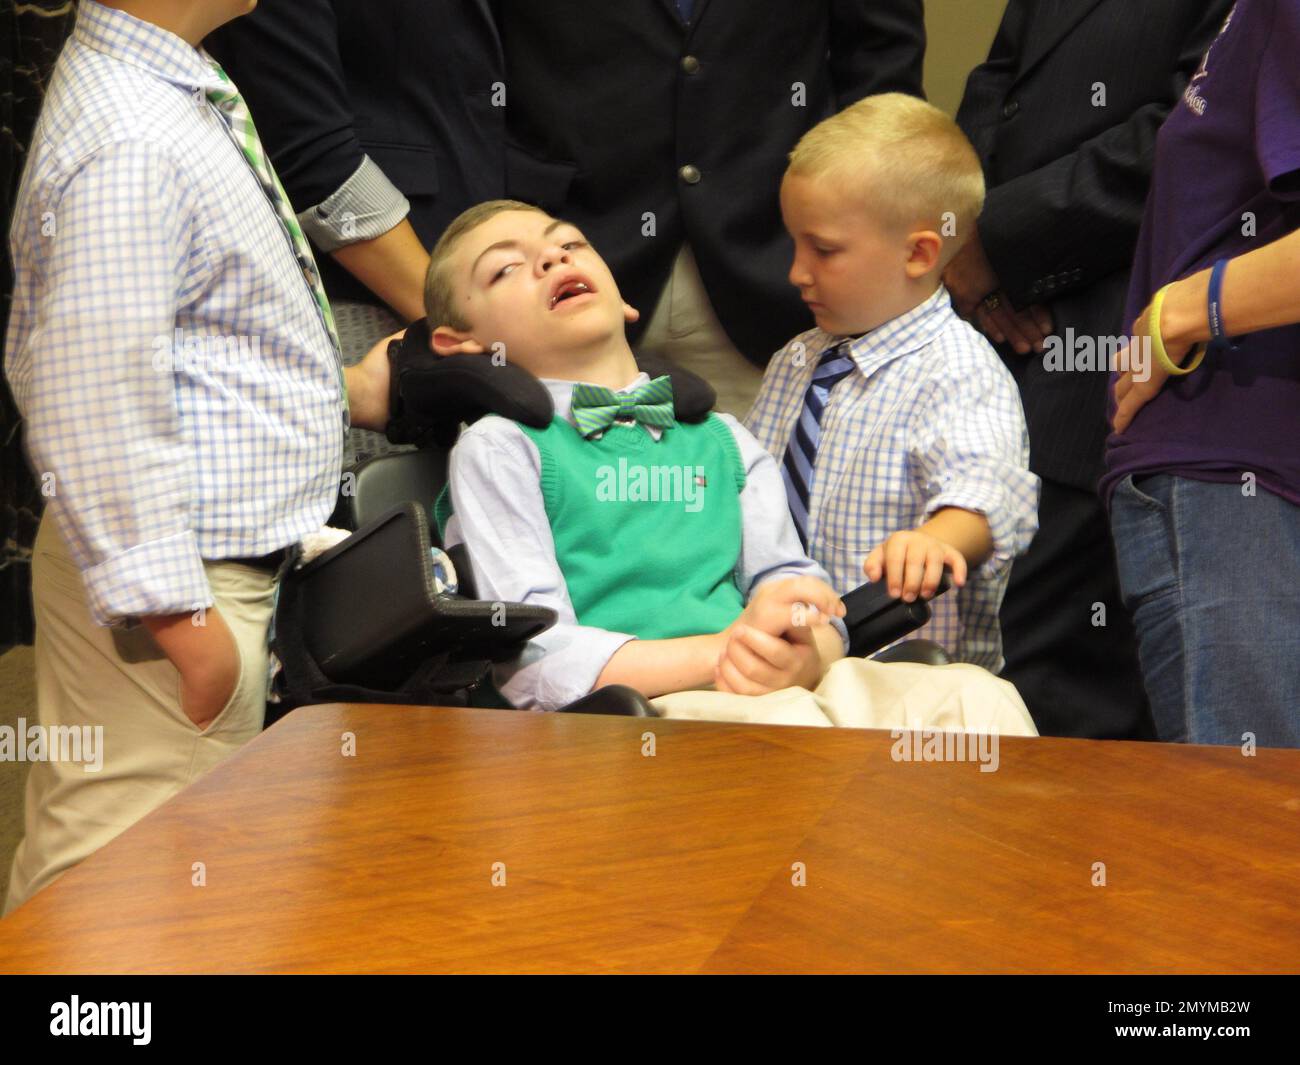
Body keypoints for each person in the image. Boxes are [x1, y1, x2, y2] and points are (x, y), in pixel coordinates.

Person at [2, 0, 391, 913]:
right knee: (124, 881)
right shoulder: (129, 136)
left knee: (168, 883)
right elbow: (90, 397)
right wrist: (180, 621)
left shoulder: (166, 76)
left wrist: (343, 390)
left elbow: (191, 338)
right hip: (173, 583)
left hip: (192, 569)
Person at [422, 199, 1033, 732]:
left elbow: (793, 586)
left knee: (975, 700)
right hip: (633, 715)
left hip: (771, 687)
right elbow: (537, 659)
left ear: (625, 297)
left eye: (570, 244)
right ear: (460, 343)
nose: (552, 260)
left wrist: (808, 652)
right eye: (506, 268)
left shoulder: (724, 437)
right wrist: (723, 653)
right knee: (796, 733)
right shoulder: (502, 449)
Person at [948, 0, 1234, 739]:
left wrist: (1005, 244)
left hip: (1121, 348)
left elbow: (1194, 129)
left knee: (1055, 712)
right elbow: (996, 85)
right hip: (988, 338)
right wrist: (965, 237)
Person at [494, 0, 926, 418]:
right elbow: (466, 75)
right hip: (562, 256)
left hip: (777, 262)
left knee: (774, 488)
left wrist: (853, 247)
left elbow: (880, 62)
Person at [745, 94, 1039, 673]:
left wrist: (938, 539)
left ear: (919, 253)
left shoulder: (959, 369)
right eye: (795, 244)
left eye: (823, 250)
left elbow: (987, 490)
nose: (796, 272)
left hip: (904, 686)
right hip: (782, 667)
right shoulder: (794, 361)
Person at [1101, 0, 1300, 748]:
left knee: (1253, 841)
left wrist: (1189, 306)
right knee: (1255, 836)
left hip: (1247, 470)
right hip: (1241, 469)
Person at [205, 0, 505, 467]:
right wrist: (461, 323)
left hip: (476, 290)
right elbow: (309, 156)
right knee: (385, 522)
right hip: (365, 287)